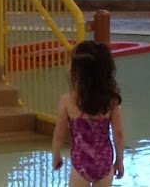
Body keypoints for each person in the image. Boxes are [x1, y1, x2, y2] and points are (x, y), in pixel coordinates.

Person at [52, 41, 126, 186]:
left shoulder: (67, 101)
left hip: (81, 161)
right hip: (104, 161)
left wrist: (56, 156)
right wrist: (120, 160)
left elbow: (59, 132)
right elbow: (118, 133)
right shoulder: (111, 100)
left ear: (76, 72)